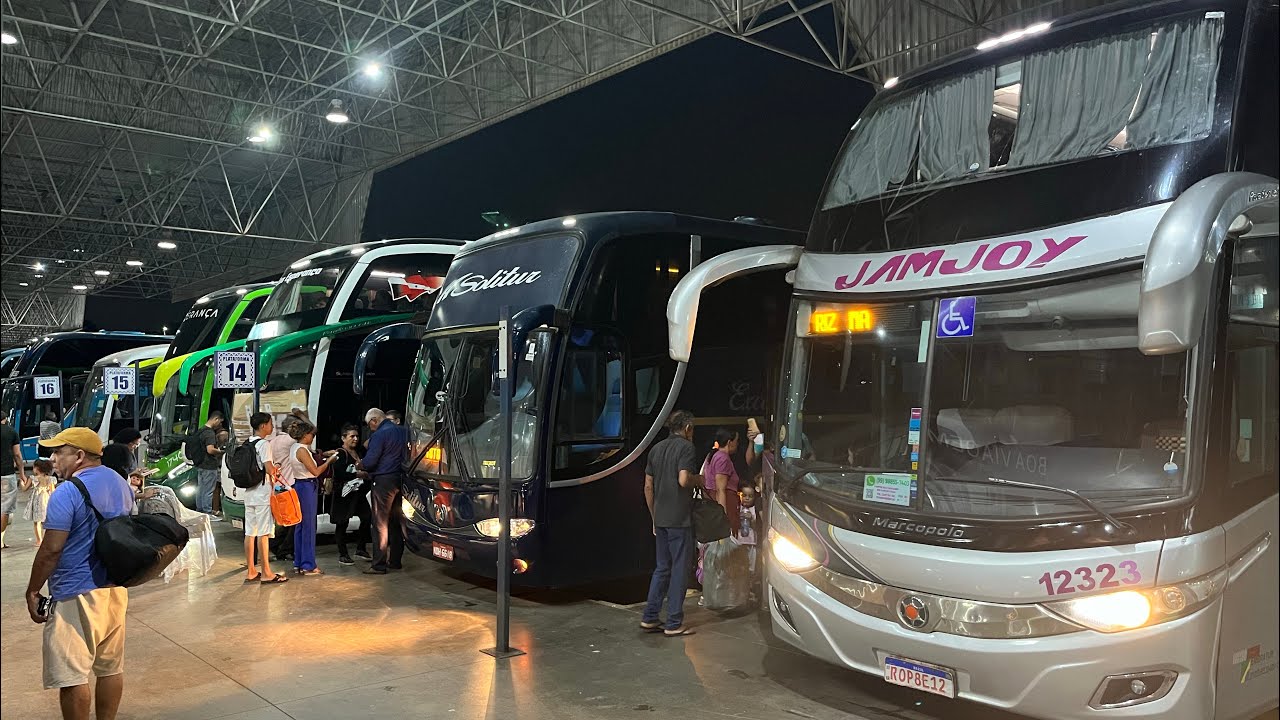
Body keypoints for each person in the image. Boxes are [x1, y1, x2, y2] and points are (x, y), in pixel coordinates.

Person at [26, 427, 134, 720]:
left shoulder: (68, 491)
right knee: (110, 668)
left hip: (77, 594)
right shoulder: (120, 483)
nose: (53, 458)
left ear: (79, 456)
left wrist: (33, 590)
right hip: (115, 588)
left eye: (58, 452)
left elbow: (51, 549)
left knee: (72, 674)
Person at [640, 410, 700, 637]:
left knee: (662, 568)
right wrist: (699, 479)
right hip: (680, 520)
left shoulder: (656, 449)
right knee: (679, 570)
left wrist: (654, 517)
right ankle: (674, 623)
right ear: (687, 428)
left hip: (661, 519)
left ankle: (650, 617)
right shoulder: (686, 448)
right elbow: (684, 479)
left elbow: (648, 487)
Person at [282, 419, 339, 575]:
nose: (313, 437)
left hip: (299, 485)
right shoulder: (302, 450)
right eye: (311, 435)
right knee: (308, 526)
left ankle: (299, 562)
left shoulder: (295, 447)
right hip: (307, 487)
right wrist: (329, 461)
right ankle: (308, 565)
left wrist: (323, 455)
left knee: (300, 526)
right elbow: (316, 471)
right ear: (305, 435)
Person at [360, 408, 407, 575]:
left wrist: (360, 464)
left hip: (383, 481)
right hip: (402, 479)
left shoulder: (379, 434)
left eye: (369, 424)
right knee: (396, 521)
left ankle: (378, 565)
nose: (370, 428)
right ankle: (395, 561)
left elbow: (370, 461)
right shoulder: (404, 431)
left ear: (374, 420)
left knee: (380, 522)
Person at [242, 412, 287, 584]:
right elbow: (269, 469)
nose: (272, 427)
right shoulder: (264, 444)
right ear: (262, 426)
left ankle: (251, 571)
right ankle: (267, 573)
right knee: (263, 533)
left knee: (250, 533)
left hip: (249, 493)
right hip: (262, 494)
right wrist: (276, 469)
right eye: (270, 424)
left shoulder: (247, 443)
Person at [330, 423, 371, 565]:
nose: (355, 439)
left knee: (367, 517)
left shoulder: (358, 452)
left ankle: (361, 548)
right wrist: (357, 474)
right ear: (343, 438)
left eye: (357, 436)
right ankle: (343, 554)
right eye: (352, 436)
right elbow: (339, 473)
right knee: (342, 523)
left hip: (358, 493)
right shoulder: (341, 453)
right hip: (344, 493)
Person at [193, 412, 225, 519]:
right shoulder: (210, 433)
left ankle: (200, 512)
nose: (220, 425)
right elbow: (210, 450)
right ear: (216, 419)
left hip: (200, 464)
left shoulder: (201, 430)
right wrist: (220, 452)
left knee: (200, 489)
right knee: (208, 491)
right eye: (220, 422)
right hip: (209, 466)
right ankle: (207, 513)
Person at [2, 414, 27, 549]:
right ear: (5, 419)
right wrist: (22, 474)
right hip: (6, 474)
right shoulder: (11, 432)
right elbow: (17, 455)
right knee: (5, 509)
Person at [25, 459, 57, 545]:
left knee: (37, 521)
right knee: (46, 520)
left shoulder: (33, 478)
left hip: (36, 501)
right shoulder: (50, 479)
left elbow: (24, 488)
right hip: (46, 499)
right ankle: (46, 539)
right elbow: (53, 491)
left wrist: (21, 482)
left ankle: (39, 540)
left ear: (37, 468)